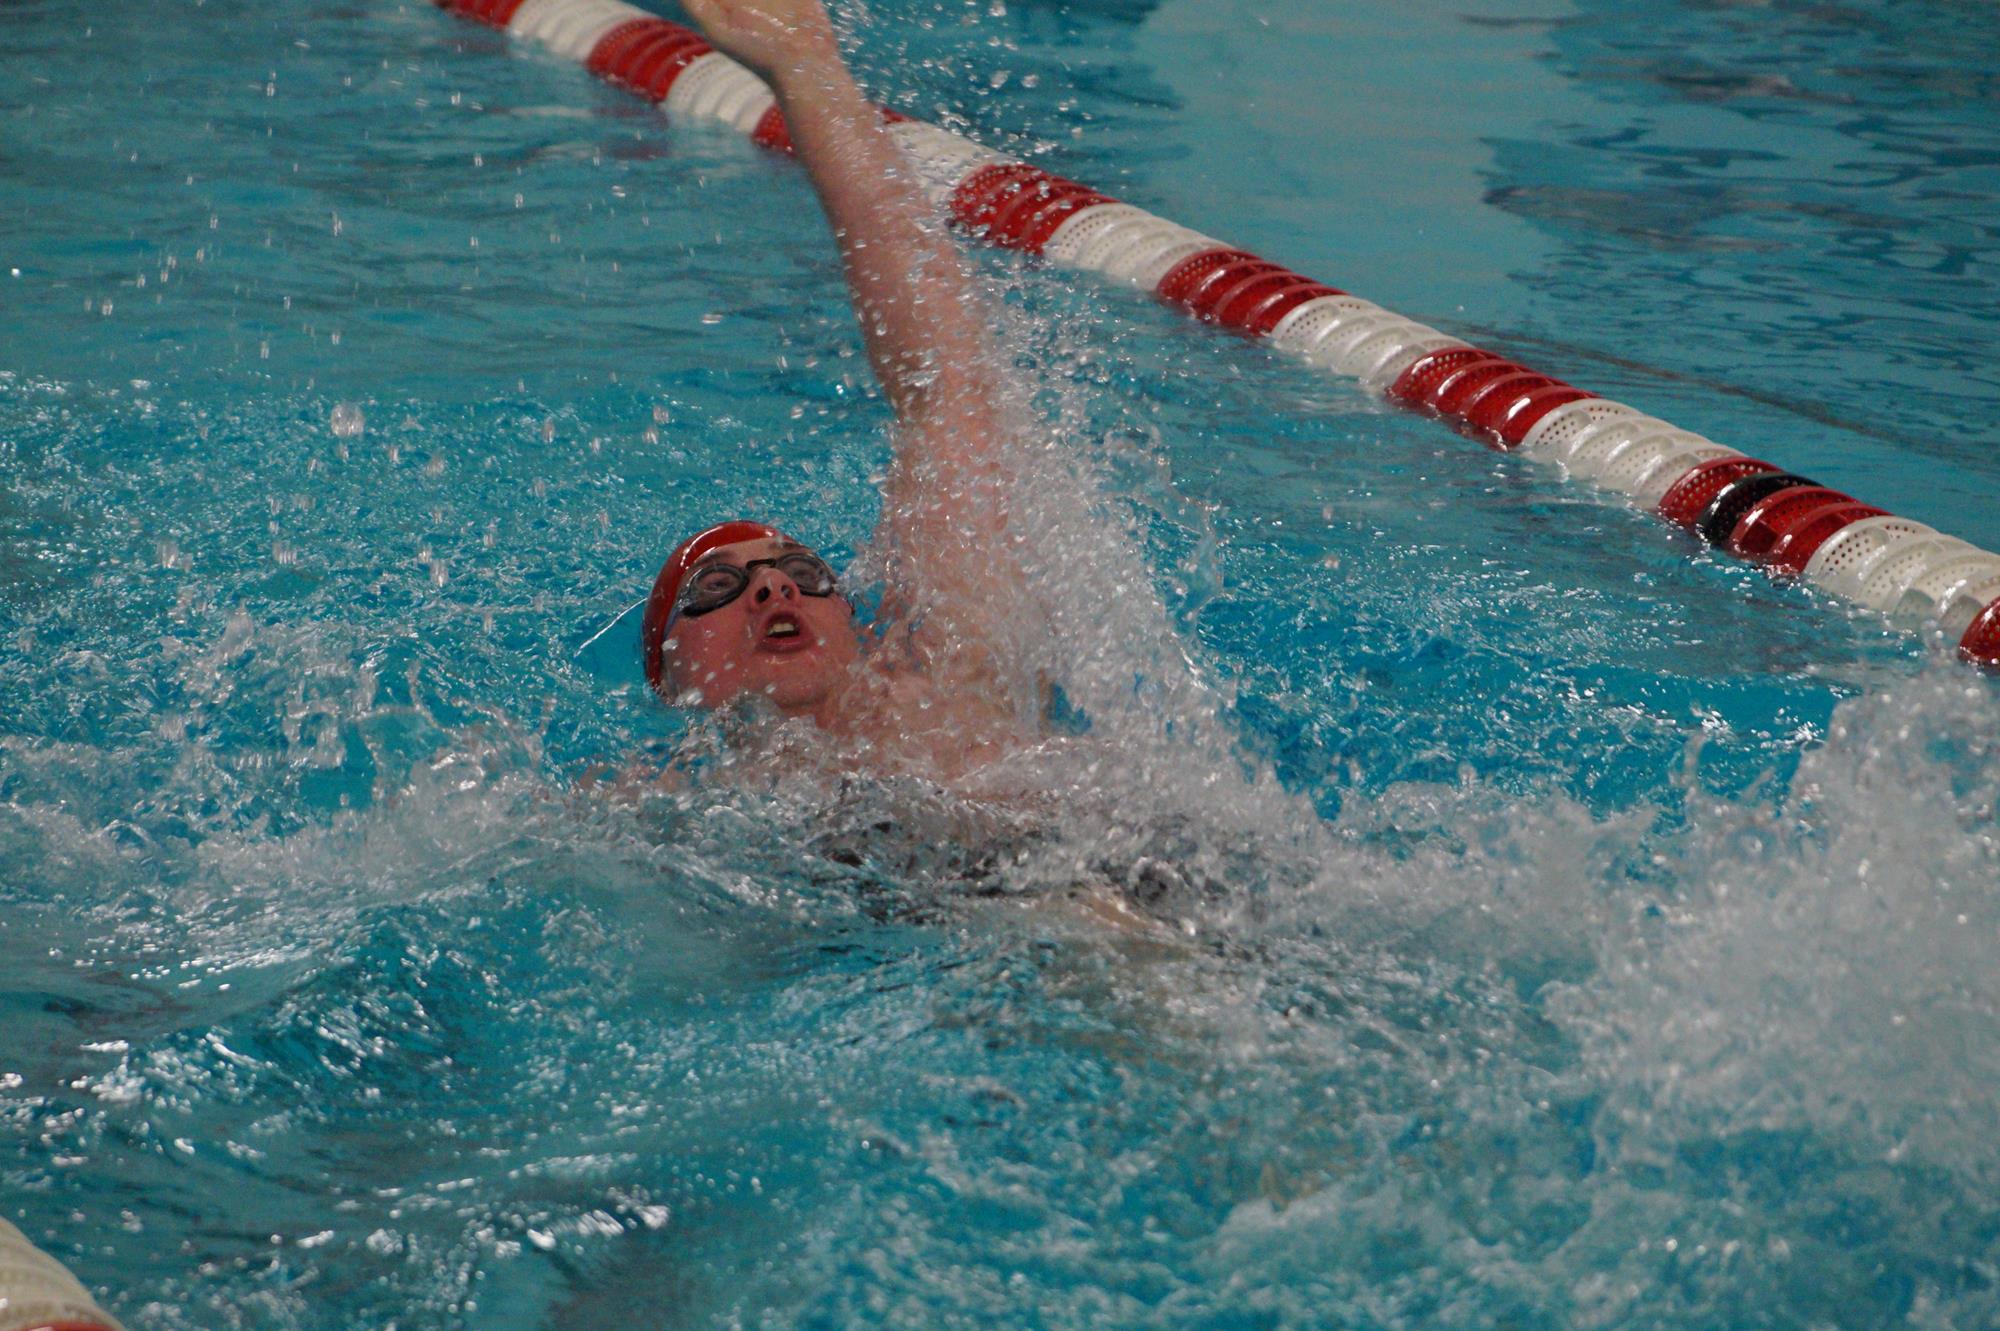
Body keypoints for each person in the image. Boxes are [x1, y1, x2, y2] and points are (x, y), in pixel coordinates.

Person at [641, 0, 1039, 781]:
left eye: (808, 576)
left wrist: (808, 69)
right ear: (669, 671)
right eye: (717, 587)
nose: (774, 585)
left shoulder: (947, 693)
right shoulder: (641, 805)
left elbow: (945, 380)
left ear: (858, 632)